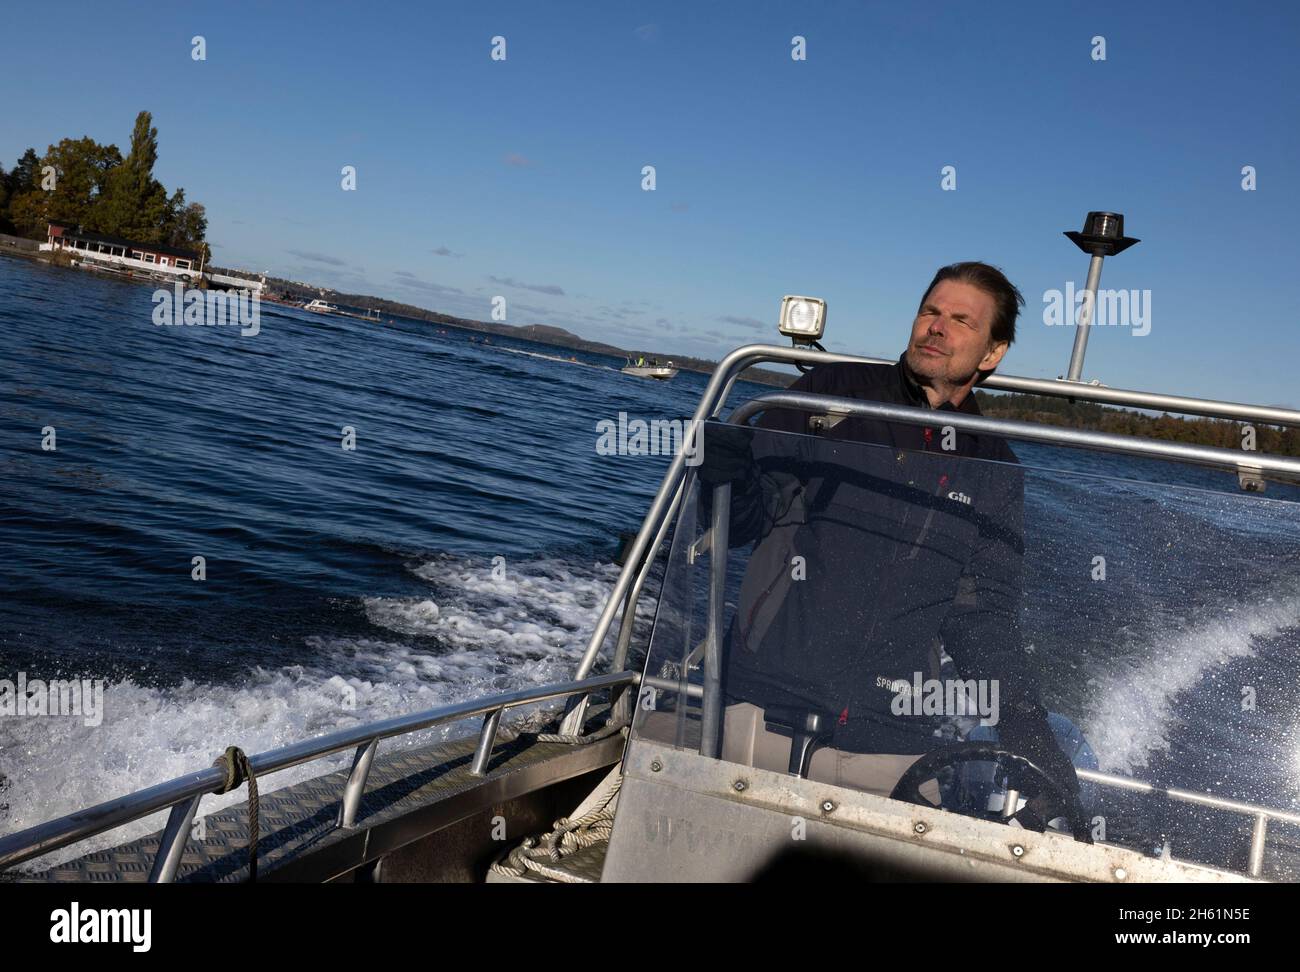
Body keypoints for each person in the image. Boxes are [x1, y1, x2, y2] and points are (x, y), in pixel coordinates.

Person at [698, 261, 1081, 828]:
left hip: (888, 738)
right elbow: (740, 523)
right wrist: (722, 475)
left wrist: (1029, 731)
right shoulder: (831, 396)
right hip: (758, 705)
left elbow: (982, 620)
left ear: (992, 353)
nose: (936, 328)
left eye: (959, 321)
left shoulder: (994, 469)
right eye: (930, 311)